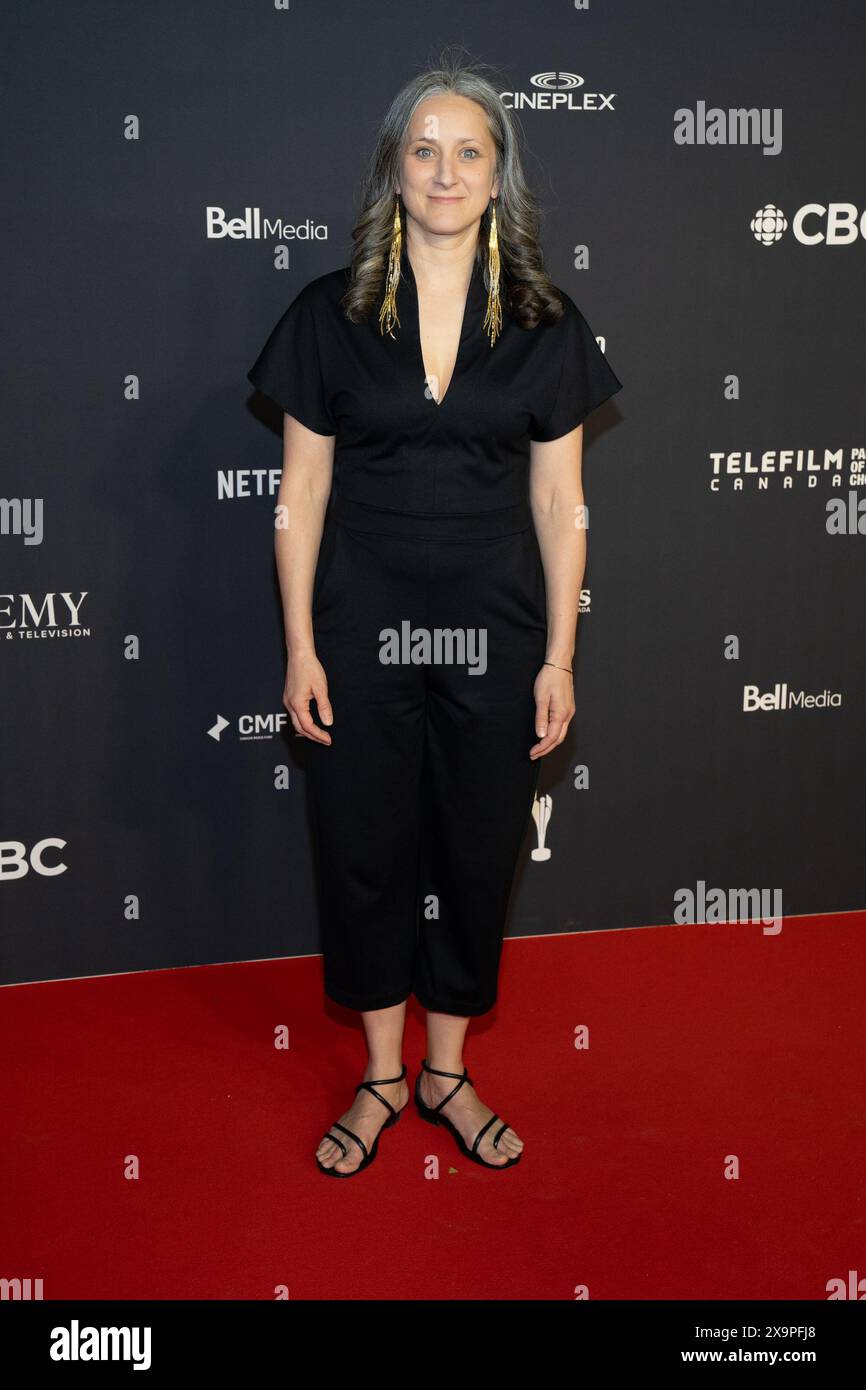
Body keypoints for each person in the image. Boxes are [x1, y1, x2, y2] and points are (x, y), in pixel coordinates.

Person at [247, 54, 622, 1177]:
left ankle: (447, 1071)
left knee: (471, 847)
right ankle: (378, 1074)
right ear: (393, 170)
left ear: (498, 172)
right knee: (360, 849)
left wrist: (558, 654)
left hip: (498, 631)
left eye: (469, 150)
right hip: (357, 627)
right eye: (424, 149)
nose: (445, 170)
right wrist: (302, 645)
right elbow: (299, 493)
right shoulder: (330, 312)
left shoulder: (547, 319)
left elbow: (560, 500)